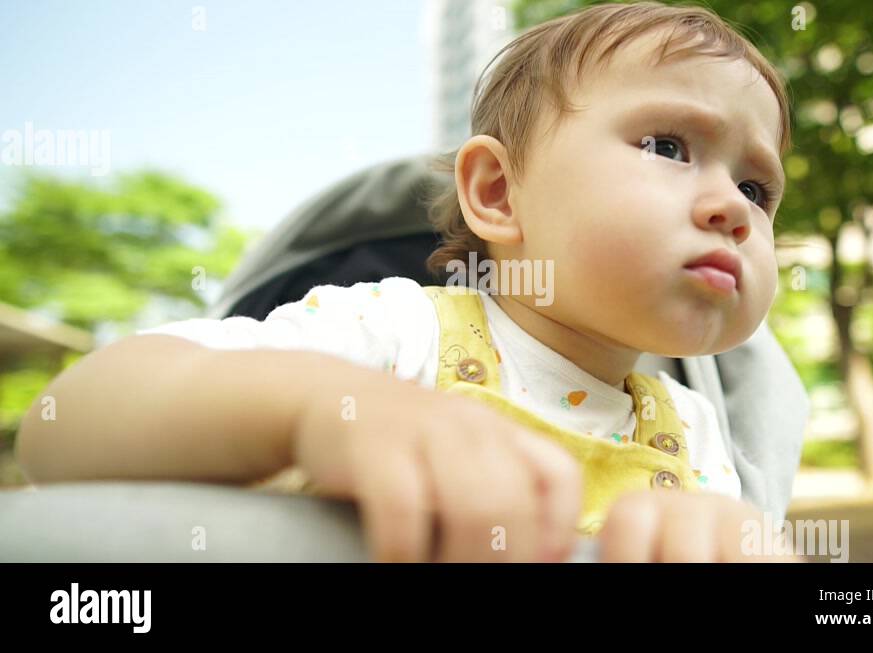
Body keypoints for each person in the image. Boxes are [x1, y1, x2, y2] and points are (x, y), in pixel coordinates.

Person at [16, 2, 802, 563]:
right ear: (496, 192)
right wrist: (312, 411)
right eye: (668, 146)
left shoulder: (697, 431)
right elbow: (61, 426)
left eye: (757, 189)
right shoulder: (395, 336)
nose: (730, 208)